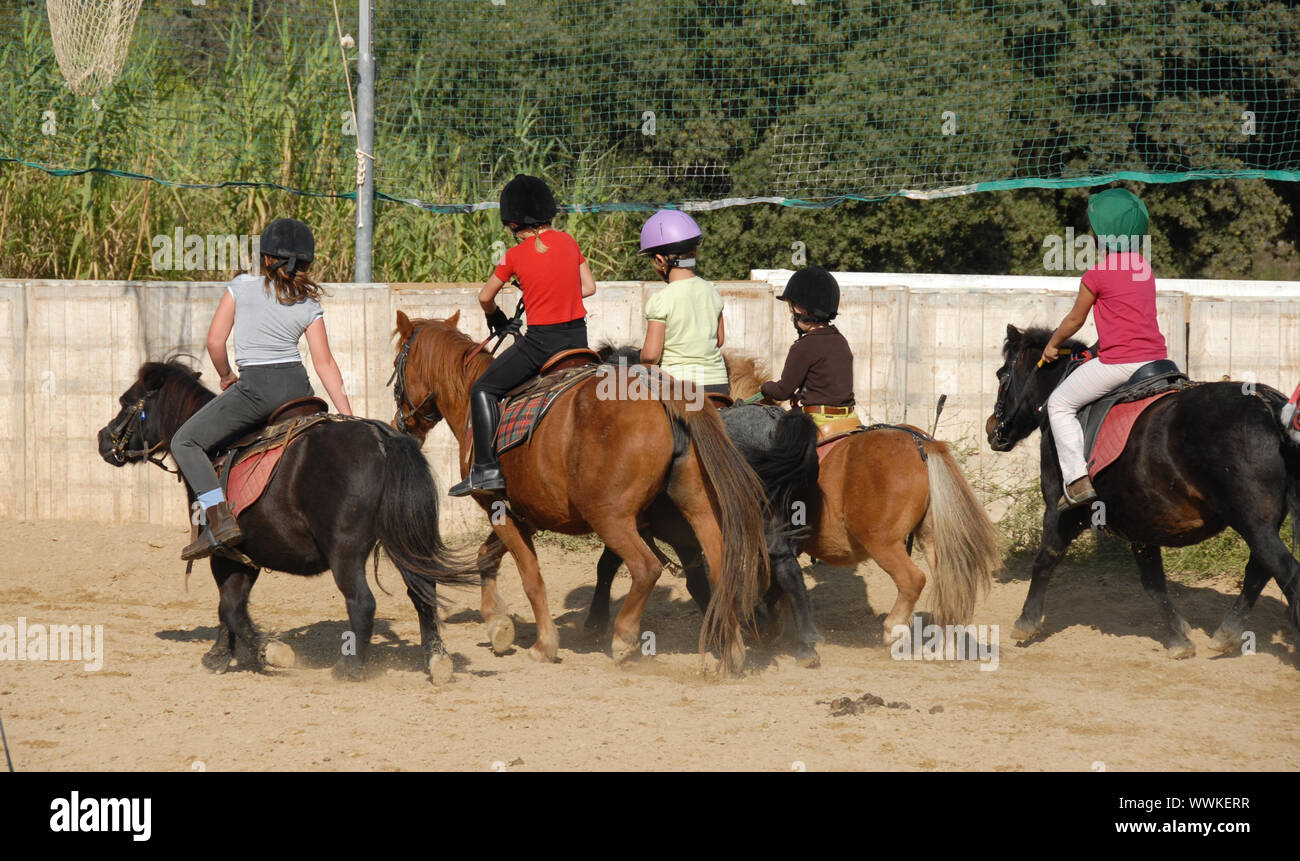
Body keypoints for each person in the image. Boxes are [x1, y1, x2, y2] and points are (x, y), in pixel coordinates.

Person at [172, 217, 353, 561]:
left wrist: (225, 376)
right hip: (300, 392)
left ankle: (219, 518)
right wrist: (347, 415)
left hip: (256, 390)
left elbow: (214, 342)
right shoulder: (309, 305)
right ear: (307, 263)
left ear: (266, 258)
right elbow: (325, 364)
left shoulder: (241, 287)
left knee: (186, 441)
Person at [448, 174, 597, 497]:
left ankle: (486, 470)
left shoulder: (514, 256)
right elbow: (589, 287)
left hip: (542, 344)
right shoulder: (569, 241)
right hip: (578, 340)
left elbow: (485, 297)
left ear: (514, 223)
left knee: (483, 389)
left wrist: (497, 318)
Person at [1041, 186, 1168, 511]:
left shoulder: (1096, 275)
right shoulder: (1144, 269)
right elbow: (1130, 322)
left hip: (1121, 364)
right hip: (1155, 360)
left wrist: (1052, 346)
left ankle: (1076, 481)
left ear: (1102, 236)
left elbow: (1073, 321)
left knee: (1059, 404)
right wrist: (1094, 350)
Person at [636, 210, 729, 397]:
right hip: (718, 385)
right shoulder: (712, 290)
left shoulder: (661, 299)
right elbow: (719, 340)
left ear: (660, 260)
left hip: (677, 387)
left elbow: (651, 355)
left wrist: (642, 359)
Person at [760, 266, 858, 435]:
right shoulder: (840, 340)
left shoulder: (803, 347)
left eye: (793, 307)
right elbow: (827, 386)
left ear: (805, 310)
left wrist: (765, 387)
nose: (791, 313)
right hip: (851, 419)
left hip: (818, 421)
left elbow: (783, 391)